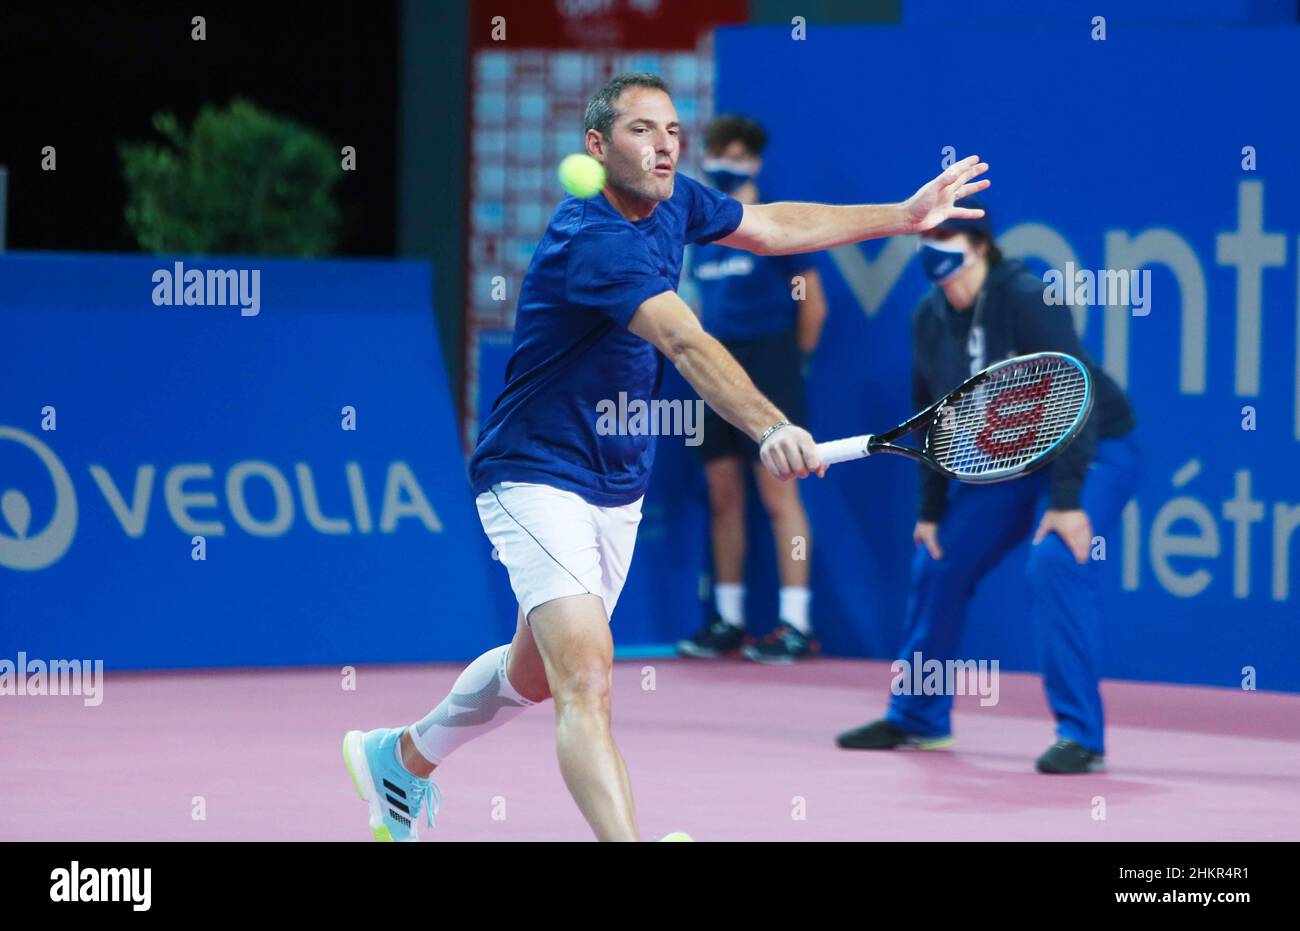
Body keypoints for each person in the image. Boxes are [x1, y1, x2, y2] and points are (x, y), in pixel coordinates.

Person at [343, 72, 990, 841]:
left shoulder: (674, 199)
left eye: (673, 130)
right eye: (642, 130)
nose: (664, 146)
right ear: (597, 146)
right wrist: (769, 423)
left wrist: (902, 215)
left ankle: (402, 759)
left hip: (617, 482)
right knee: (586, 675)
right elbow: (685, 340)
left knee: (534, 676)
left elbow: (772, 225)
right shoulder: (594, 241)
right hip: (535, 471)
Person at [835, 198, 1139, 774]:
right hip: (1010, 461)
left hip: (1092, 445)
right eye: (927, 235)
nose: (935, 248)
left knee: (1054, 560)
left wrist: (1069, 503)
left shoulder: (1025, 296)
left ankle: (1082, 736)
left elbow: (1079, 394)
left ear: (981, 246)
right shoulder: (927, 317)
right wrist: (930, 510)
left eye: (948, 236)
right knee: (937, 561)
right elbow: (935, 419)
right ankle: (918, 718)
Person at [676, 114, 827, 664]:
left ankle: (795, 623)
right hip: (716, 372)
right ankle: (729, 620)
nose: (727, 164)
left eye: (739, 156)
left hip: (772, 364)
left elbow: (814, 305)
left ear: (756, 163)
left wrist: (793, 365)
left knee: (778, 493)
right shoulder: (706, 235)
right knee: (722, 496)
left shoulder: (777, 226)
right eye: (720, 153)